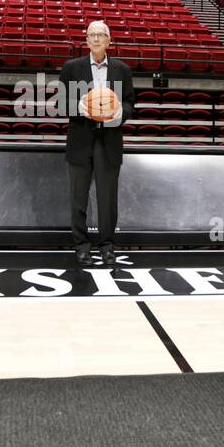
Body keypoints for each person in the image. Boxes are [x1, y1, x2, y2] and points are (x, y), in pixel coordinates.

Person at [58, 20, 136, 266]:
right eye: (91, 35)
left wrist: (119, 113)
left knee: (107, 198)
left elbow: (130, 103)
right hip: (81, 139)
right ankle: (81, 246)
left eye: (100, 35)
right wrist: (80, 107)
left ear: (109, 40)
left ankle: (107, 246)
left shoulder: (122, 69)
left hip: (109, 141)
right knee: (78, 197)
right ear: (86, 40)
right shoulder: (72, 68)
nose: (95, 39)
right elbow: (60, 103)